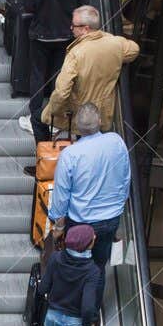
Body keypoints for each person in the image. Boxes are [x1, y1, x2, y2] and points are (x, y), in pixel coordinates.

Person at [45, 102, 131, 275]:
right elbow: (125, 178)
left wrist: (59, 225)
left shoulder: (70, 154)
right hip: (111, 218)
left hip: (80, 221)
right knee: (98, 269)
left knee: (74, 268)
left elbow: (62, 194)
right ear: (99, 121)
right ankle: (93, 301)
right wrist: (119, 206)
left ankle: (72, 300)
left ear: (77, 126)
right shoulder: (117, 142)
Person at [16, 0, 87, 128]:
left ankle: (35, 118)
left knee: (37, 76)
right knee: (59, 77)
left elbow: (28, 5)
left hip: (40, 33)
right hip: (66, 34)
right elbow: (84, 5)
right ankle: (55, 119)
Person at [40, 5, 139, 136]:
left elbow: (62, 92)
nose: (71, 28)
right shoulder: (115, 44)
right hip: (102, 113)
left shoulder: (75, 54)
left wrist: (51, 113)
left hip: (79, 115)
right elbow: (134, 49)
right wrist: (103, 36)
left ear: (85, 29)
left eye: (74, 25)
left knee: (38, 120)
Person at [38, 220, 102, 326]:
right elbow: (88, 306)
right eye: (92, 237)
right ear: (87, 244)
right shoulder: (92, 270)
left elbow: (42, 288)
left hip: (53, 317)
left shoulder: (55, 258)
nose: (94, 236)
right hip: (76, 322)